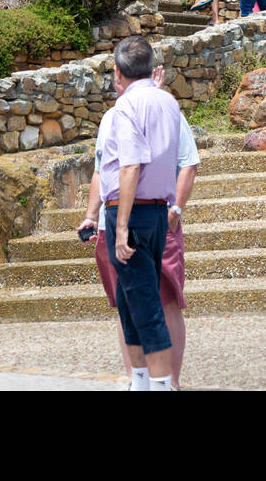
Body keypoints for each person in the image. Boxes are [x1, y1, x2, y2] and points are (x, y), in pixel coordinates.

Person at [79, 63, 200, 389]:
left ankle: (169, 383)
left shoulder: (168, 112)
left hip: (153, 219)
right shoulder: (109, 118)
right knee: (126, 303)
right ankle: (138, 381)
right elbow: (99, 171)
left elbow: (188, 165)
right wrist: (91, 215)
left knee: (165, 300)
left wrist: (174, 210)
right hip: (112, 221)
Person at [96, 36, 181, 392]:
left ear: (118, 72)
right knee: (131, 301)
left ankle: (158, 386)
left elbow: (130, 166)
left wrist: (120, 228)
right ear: (151, 68)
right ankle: (141, 383)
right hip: (159, 211)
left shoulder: (124, 108)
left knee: (144, 305)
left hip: (130, 211)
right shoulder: (169, 102)